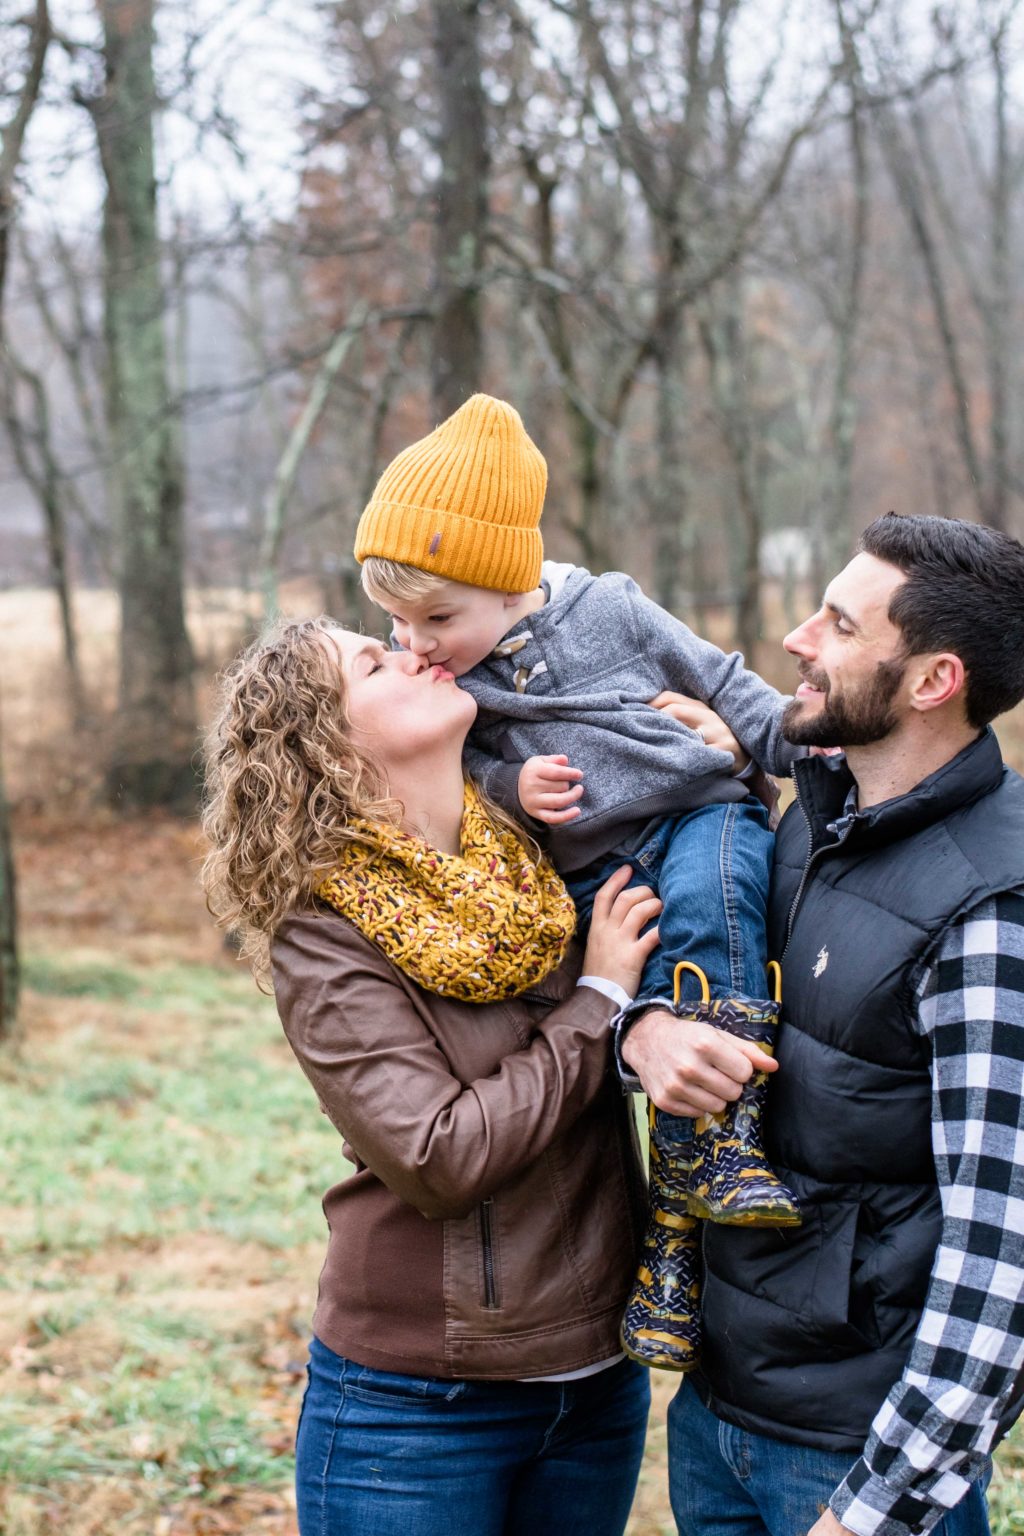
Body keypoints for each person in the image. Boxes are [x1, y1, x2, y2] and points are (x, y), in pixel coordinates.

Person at [354, 392, 803, 1371]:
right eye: (393, 621)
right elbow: (453, 772)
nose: (415, 644)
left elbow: (725, 681)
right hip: (590, 865)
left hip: (693, 809)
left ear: (511, 585)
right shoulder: (439, 677)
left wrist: (804, 753)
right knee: (639, 974)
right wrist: (511, 780)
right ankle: (676, 1228)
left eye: (437, 616)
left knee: (714, 914)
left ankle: (710, 1157)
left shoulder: (613, 612)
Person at [201, 613, 669, 1536]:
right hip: (417, 1407)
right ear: (326, 746)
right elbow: (438, 1154)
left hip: (600, 1378)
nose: (413, 649)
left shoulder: (539, 854)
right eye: (374, 663)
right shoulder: (324, 931)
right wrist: (601, 997)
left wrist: (720, 731)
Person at [623, 512, 1024, 1536]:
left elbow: (1004, 1256)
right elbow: (699, 988)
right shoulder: (811, 816)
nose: (797, 640)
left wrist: (874, 1509)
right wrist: (645, 1034)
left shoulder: (993, 907)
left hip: (852, 1466)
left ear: (933, 681)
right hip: (717, 1418)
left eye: (839, 626)